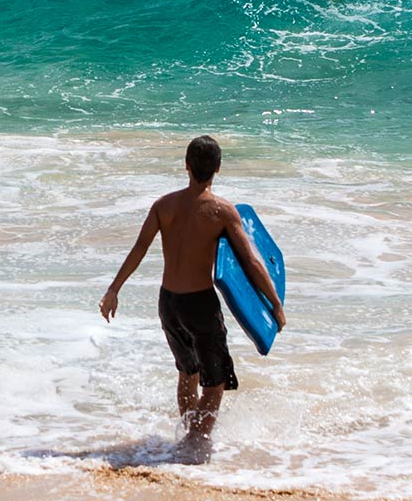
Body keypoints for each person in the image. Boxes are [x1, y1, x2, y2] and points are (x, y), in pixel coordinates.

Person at [98, 136, 286, 462]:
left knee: (188, 373)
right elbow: (253, 262)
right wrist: (276, 305)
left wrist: (114, 289)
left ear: (186, 166)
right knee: (214, 385)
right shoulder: (222, 211)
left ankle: (187, 438)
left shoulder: (163, 206)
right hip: (200, 305)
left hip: (169, 304)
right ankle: (193, 448)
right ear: (218, 169)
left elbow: (139, 250)